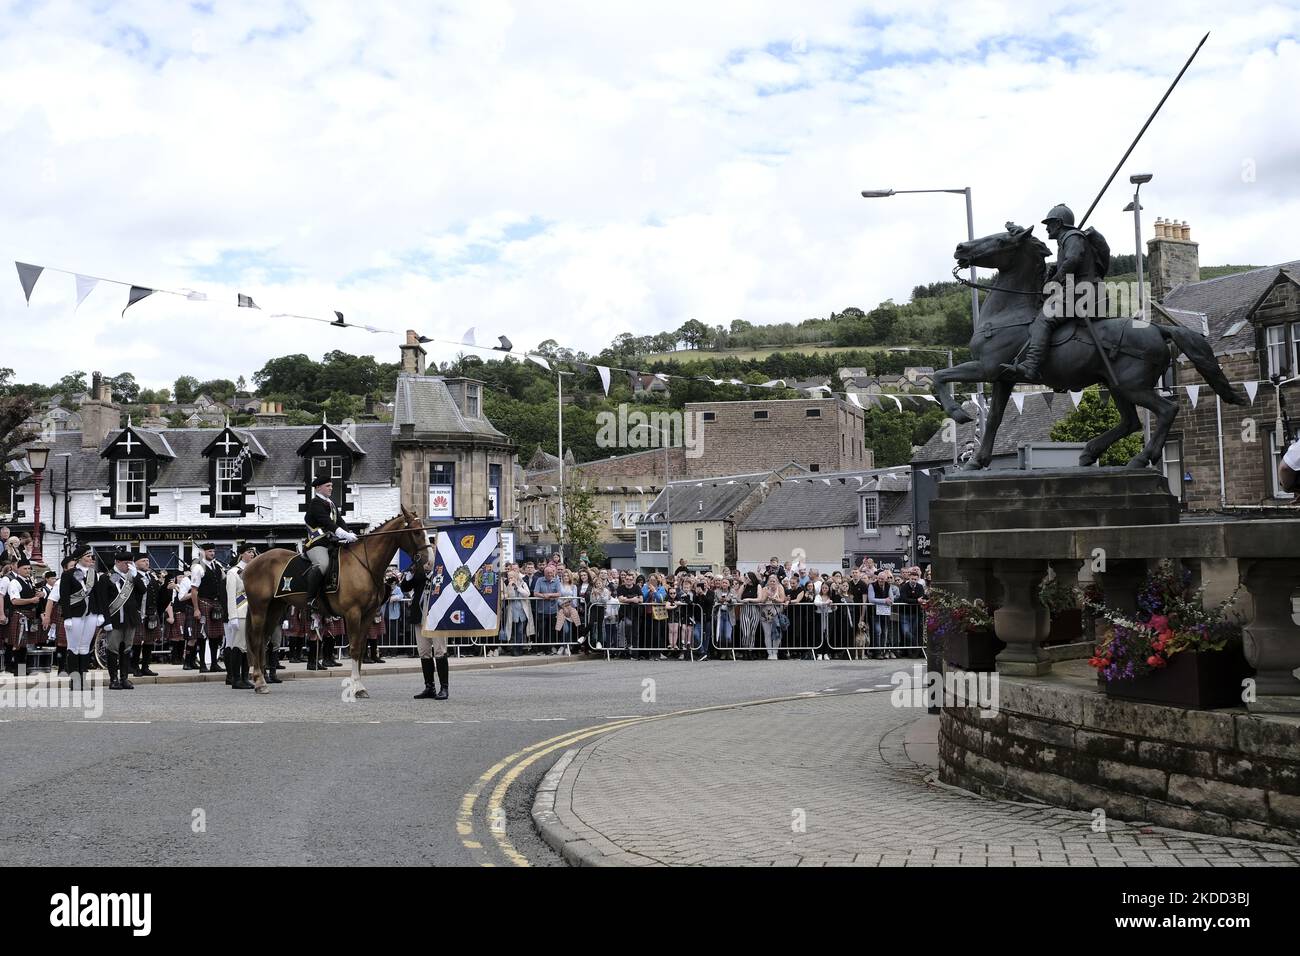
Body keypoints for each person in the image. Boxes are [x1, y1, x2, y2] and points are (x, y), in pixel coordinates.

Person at [1006, 203, 1106, 383]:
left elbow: (1073, 260)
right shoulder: (1069, 239)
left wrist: (1056, 279)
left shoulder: (1072, 236)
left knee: (1043, 320)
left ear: (1059, 223)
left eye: (1049, 223)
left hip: (1082, 292)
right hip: (1081, 291)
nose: (1046, 228)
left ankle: (1031, 366)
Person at [303, 476, 358, 616]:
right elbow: (328, 523)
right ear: (318, 488)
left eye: (331, 486)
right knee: (323, 564)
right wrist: (345, 535)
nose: (331, 488)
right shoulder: (315, 503)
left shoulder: (331, 504)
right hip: (316, 543)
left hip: (331, 543)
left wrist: (349, 534)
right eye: (328, 486)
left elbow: (339, 521)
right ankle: (310, 600)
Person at [95, 549, 143, 690]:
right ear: (117, 562)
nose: (128, 566)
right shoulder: (106, 577)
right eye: (125, 563)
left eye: (130, 562)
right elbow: (103, 600)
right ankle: (113, 679)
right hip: (114, 618)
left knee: (127, 649)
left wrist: (136, 576)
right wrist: (106, 620)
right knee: (113, 649)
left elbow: (142, 590)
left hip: (130, 619)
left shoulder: (131, 576)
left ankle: (124, 678)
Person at [58, 545, 101, 686]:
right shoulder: (68, 574)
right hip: (75, 614)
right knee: (74, 647)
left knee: (85, 647)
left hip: (91, 614)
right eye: (87, 556)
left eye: (91, 556)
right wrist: (67, 617)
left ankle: (83, 680)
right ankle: (74, 680)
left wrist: (99, 613)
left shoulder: (93, 574)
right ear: (79, 558)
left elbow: (97, 594)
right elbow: (64, 597)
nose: (90, 558)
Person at [224, 542, 257, 689]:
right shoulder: (233, 572)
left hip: (252, 612)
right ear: (242, 554)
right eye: (249, 551)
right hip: (240, 612)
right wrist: (233, 617)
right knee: (238, 646)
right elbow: (231, 596)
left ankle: (245, 677)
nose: (252, 554)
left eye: (253, 552)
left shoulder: (255, 570)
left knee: (247, 647)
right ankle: (235, 678)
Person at [189, 543, 225, 673]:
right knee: (202, 636)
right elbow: (194, 590)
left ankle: (214, 663)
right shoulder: (199, 567)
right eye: (210, 551)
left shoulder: (216, 566)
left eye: (213, 551)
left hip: (215, 604)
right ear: (203, 552)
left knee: (215, 636)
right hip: (203, 603)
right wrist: (196, 609)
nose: (212, 553)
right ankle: (203, 664)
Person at [4, 558, 41, 675]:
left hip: (29, 615)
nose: (27, 570)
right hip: (20, 615)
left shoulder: (29, 581)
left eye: (29, 568)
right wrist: (32, 600)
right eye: (24, 568)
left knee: (24, 644)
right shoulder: (14, 582)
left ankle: (23, 669)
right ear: (18, 569)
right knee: (18, 644)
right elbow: (14, 601)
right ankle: (17, 670)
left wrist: (40, 594)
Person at [132, 553, 162, 678]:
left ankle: (145, 667)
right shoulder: (133, 576)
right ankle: (134, 667)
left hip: (151, 613)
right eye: (143, 560)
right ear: (136, 563)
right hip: (138, 612)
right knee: (137, 641)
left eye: (148, 561)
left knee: (149, 640)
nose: (147, 563)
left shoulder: (151, 576)